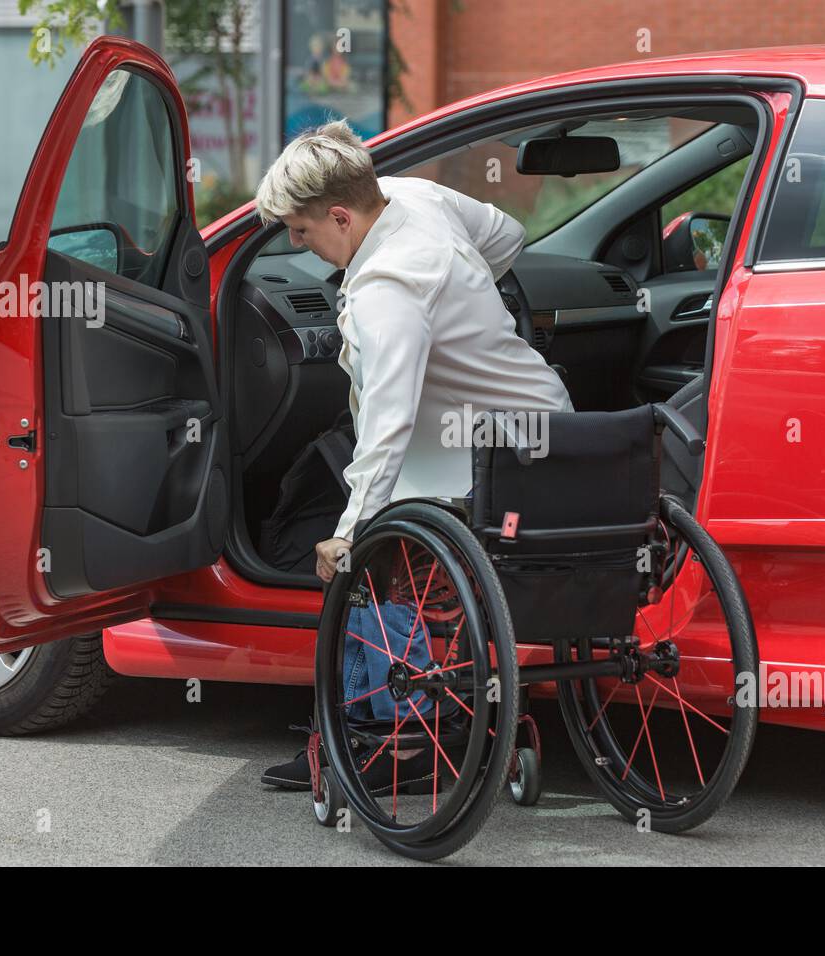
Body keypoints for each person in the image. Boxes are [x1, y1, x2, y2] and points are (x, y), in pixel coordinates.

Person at [254, 119, 572, 791]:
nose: (297, 243)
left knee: (369, 554)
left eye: (304, 231)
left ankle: (391, 736)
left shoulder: (384, 292)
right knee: (401, 520)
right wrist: (459, 307)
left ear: (341, 215)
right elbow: (508, 237)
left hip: (472, 464)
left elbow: (389, 425)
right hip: (550, 430)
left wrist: (346, 533)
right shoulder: (412, 195)